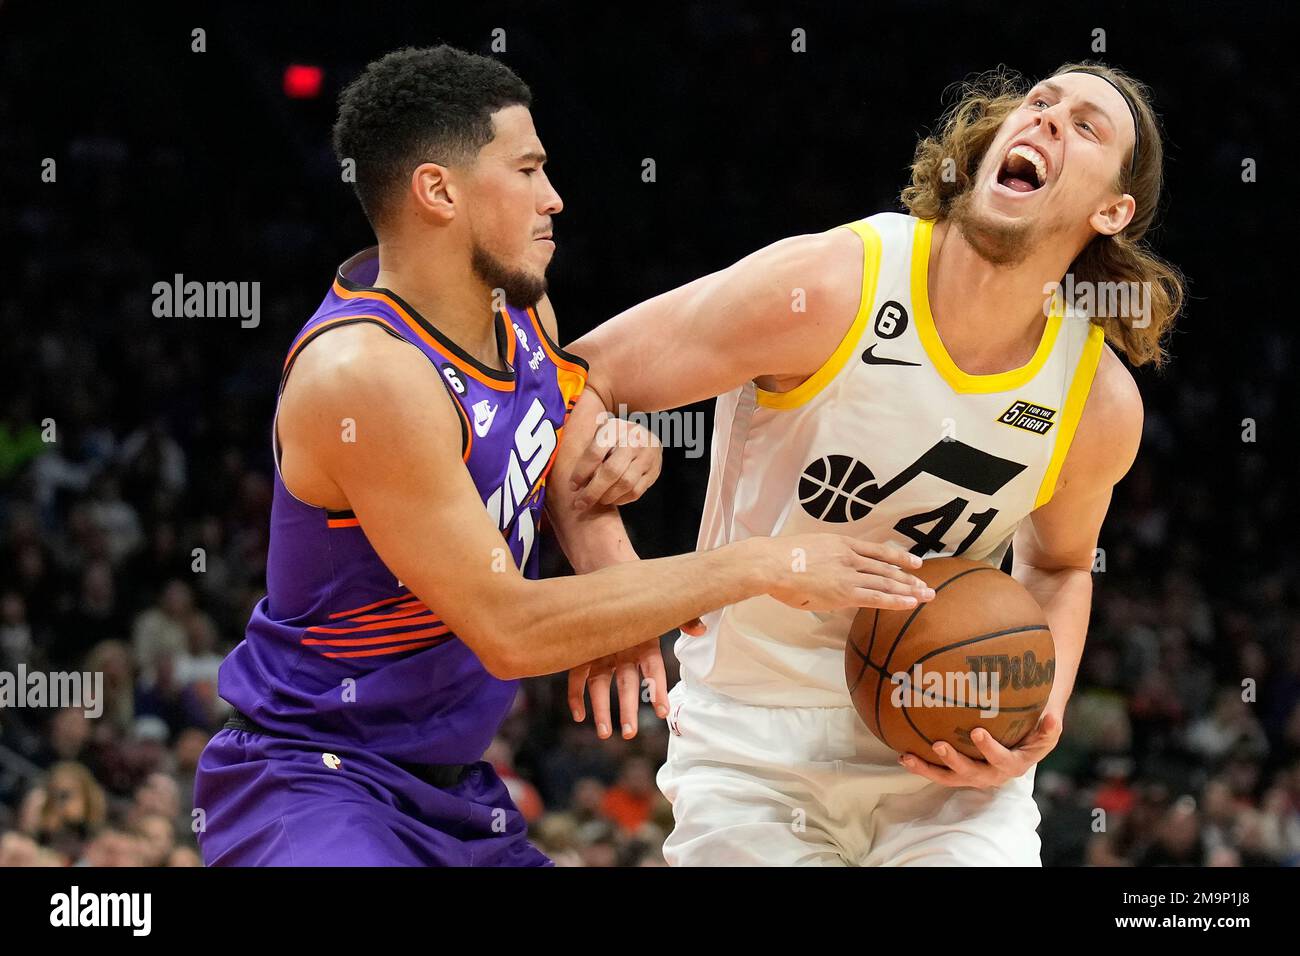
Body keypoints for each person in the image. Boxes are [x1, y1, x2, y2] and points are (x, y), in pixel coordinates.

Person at [193, 45, 931, 867]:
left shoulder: (521, 312)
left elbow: (573, 449)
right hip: (314, 783)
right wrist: (763, 563)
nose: (555, 198)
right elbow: (508, 628)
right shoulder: (367, 377)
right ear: (438, 191)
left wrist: (615, 492)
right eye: (528, 170)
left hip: (454, 789)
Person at [560, 62, 1183, 865]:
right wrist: (615, 590)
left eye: (1085, 124)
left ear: (1113, 210)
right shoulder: (830, 287)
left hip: (951, 751)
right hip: (756, 744)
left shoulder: (1097, 401)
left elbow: (1061, 566)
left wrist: (1042, 713)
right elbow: (579, 378)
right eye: (1038, 103)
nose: (1047, 119)